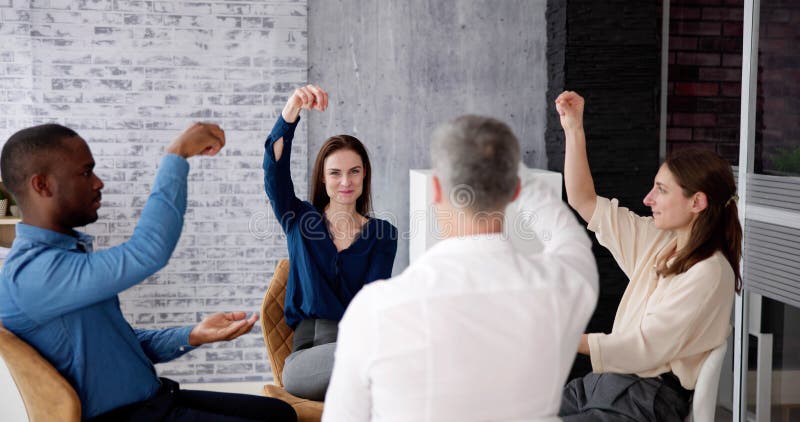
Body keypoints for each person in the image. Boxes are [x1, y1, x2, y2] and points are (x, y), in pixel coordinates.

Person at [0, 123, 296, 422]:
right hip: (127, 416)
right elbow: (147, 250)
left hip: (154, 401)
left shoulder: (59, 259)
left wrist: (192, 335)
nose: (98, 182)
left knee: (280, 413)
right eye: (86, 172)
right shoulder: (31, 275)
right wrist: (176, 155)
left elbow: (118, 344)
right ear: (42, 185)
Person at [322, 115, 599, 421]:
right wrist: (507, 167)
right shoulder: (566, 287)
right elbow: (566, 231)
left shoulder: (374, 311)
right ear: (515, 191)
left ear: (436, 189)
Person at [556, 91, 741, 421]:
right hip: (602, 385)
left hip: (644, 399)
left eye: (662, 190)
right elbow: (583, 200)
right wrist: (573, 129)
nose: (648, 198)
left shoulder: (709, 273)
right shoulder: (658, 242)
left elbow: (644, 348)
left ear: (697, 202)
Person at [262, 85, 398, 400]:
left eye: (354, 172)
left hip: (359, 348)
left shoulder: (383, 235)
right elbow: (274, 172)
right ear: (323, 178)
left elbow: (369, 307)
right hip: (307, 362)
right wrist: (290, 112)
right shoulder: (298, 219)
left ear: (365, 176)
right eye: (335, 173)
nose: (346, 181)